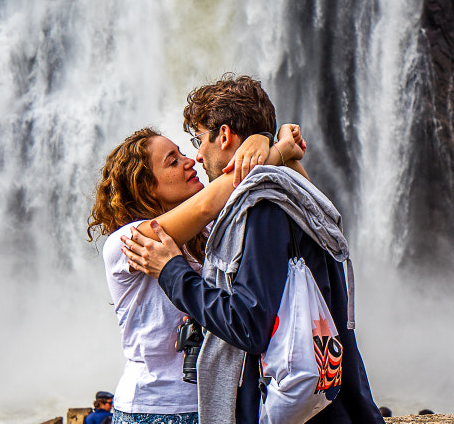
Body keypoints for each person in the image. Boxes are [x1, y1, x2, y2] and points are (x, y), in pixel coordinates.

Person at [121, 74, 384, 424]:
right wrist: (275, 147)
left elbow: (247, 325)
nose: (197, 156)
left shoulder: (262, 204)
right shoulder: (302, 194)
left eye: (198, 140)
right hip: (337, 399)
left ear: (225, 135)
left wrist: (172, 271)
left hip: (295, 409)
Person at [87, 123, 305, 424]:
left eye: (182, 154)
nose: (190, 161)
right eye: (173, 161)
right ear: (146, 184)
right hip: (152, 409)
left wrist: (262, 140)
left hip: (216, 405)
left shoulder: (209, 232)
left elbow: (308, 206)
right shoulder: (125, 242)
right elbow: (204, 206)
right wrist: (277, 150)